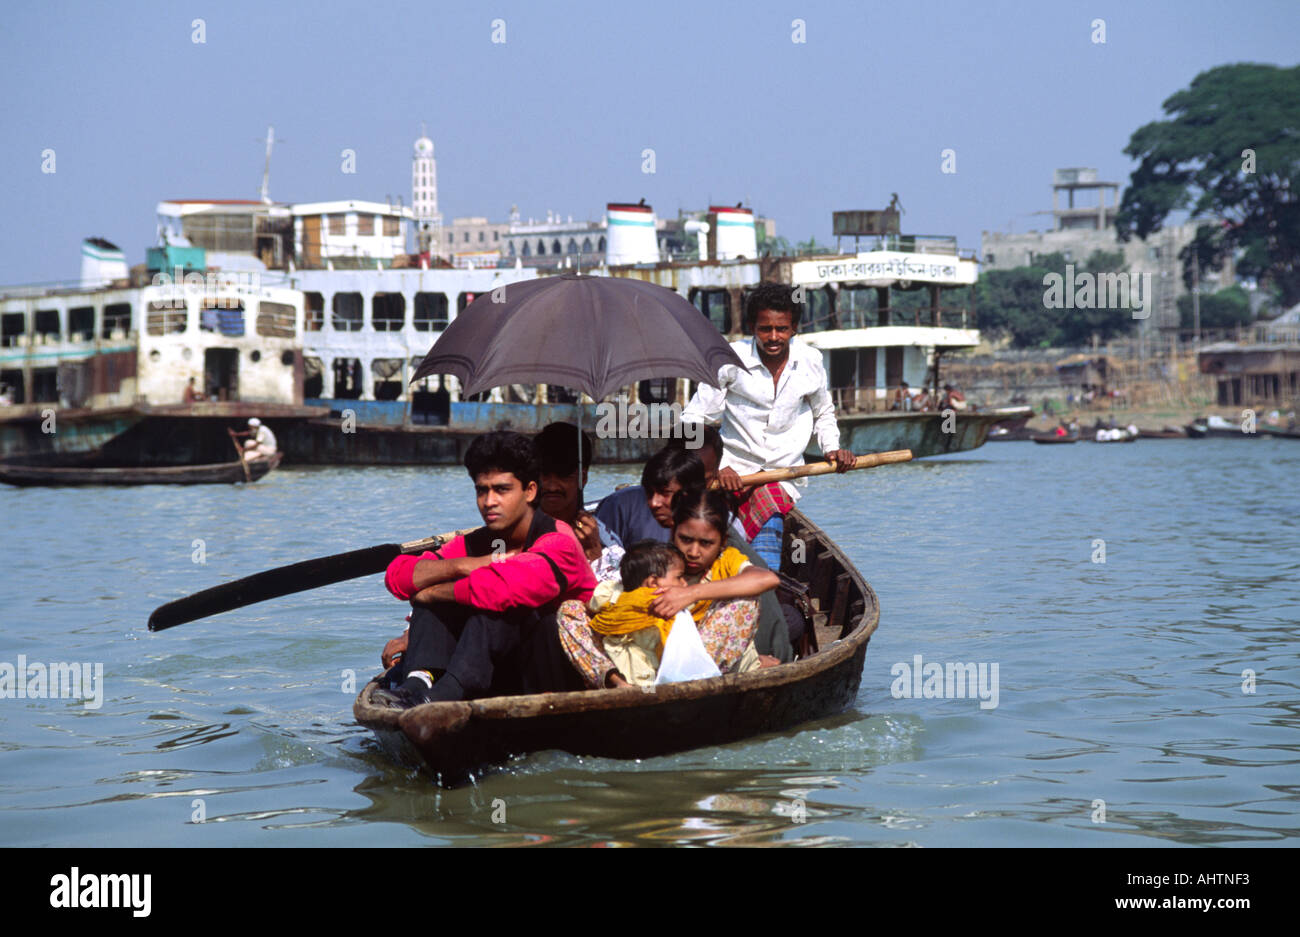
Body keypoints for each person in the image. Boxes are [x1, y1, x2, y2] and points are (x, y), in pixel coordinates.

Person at [374, 431, 595, 706]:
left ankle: (442, 695)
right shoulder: (478, 543)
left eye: (502, 490)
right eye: (482, 490)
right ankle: (417, 683)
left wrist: (432, 592)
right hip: (497, 671)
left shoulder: (559, 540)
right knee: (443, 587)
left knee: (498, 602)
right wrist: (465, 565)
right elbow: (398, 575)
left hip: (553, 675)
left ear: (530, 491)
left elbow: (503, 588)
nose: (489, 502)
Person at [682, 282, 854, 570]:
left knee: (765, 543)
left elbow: (823, 412)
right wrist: (717, 466)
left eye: (782, 329)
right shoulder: (727, 359)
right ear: (752, 327)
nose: (774, 337)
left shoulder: (810, 360)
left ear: (794, 328)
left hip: (781, 475)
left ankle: (761, 591)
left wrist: (833, 449)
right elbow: (693, 421)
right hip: (731, 472)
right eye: (765, 329)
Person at [560, 489, 779, 685]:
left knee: (746, 598)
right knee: (570, 611)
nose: (693, 552)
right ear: (673, 531)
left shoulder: (728, 560)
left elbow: (767, 579)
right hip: (648, 664)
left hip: (700, 667)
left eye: (706, 543)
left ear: (722, 543)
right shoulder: (658, 560)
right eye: (685, 539)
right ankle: (617, 683)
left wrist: (689, 594)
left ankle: (693, 680)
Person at [588, 541, 688, 686]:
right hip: (650, 672)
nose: (684, 584)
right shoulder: (664, 604)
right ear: (653, 582)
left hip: (618, 667)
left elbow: (594, 603)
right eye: (679, 577)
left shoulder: (616, 593)